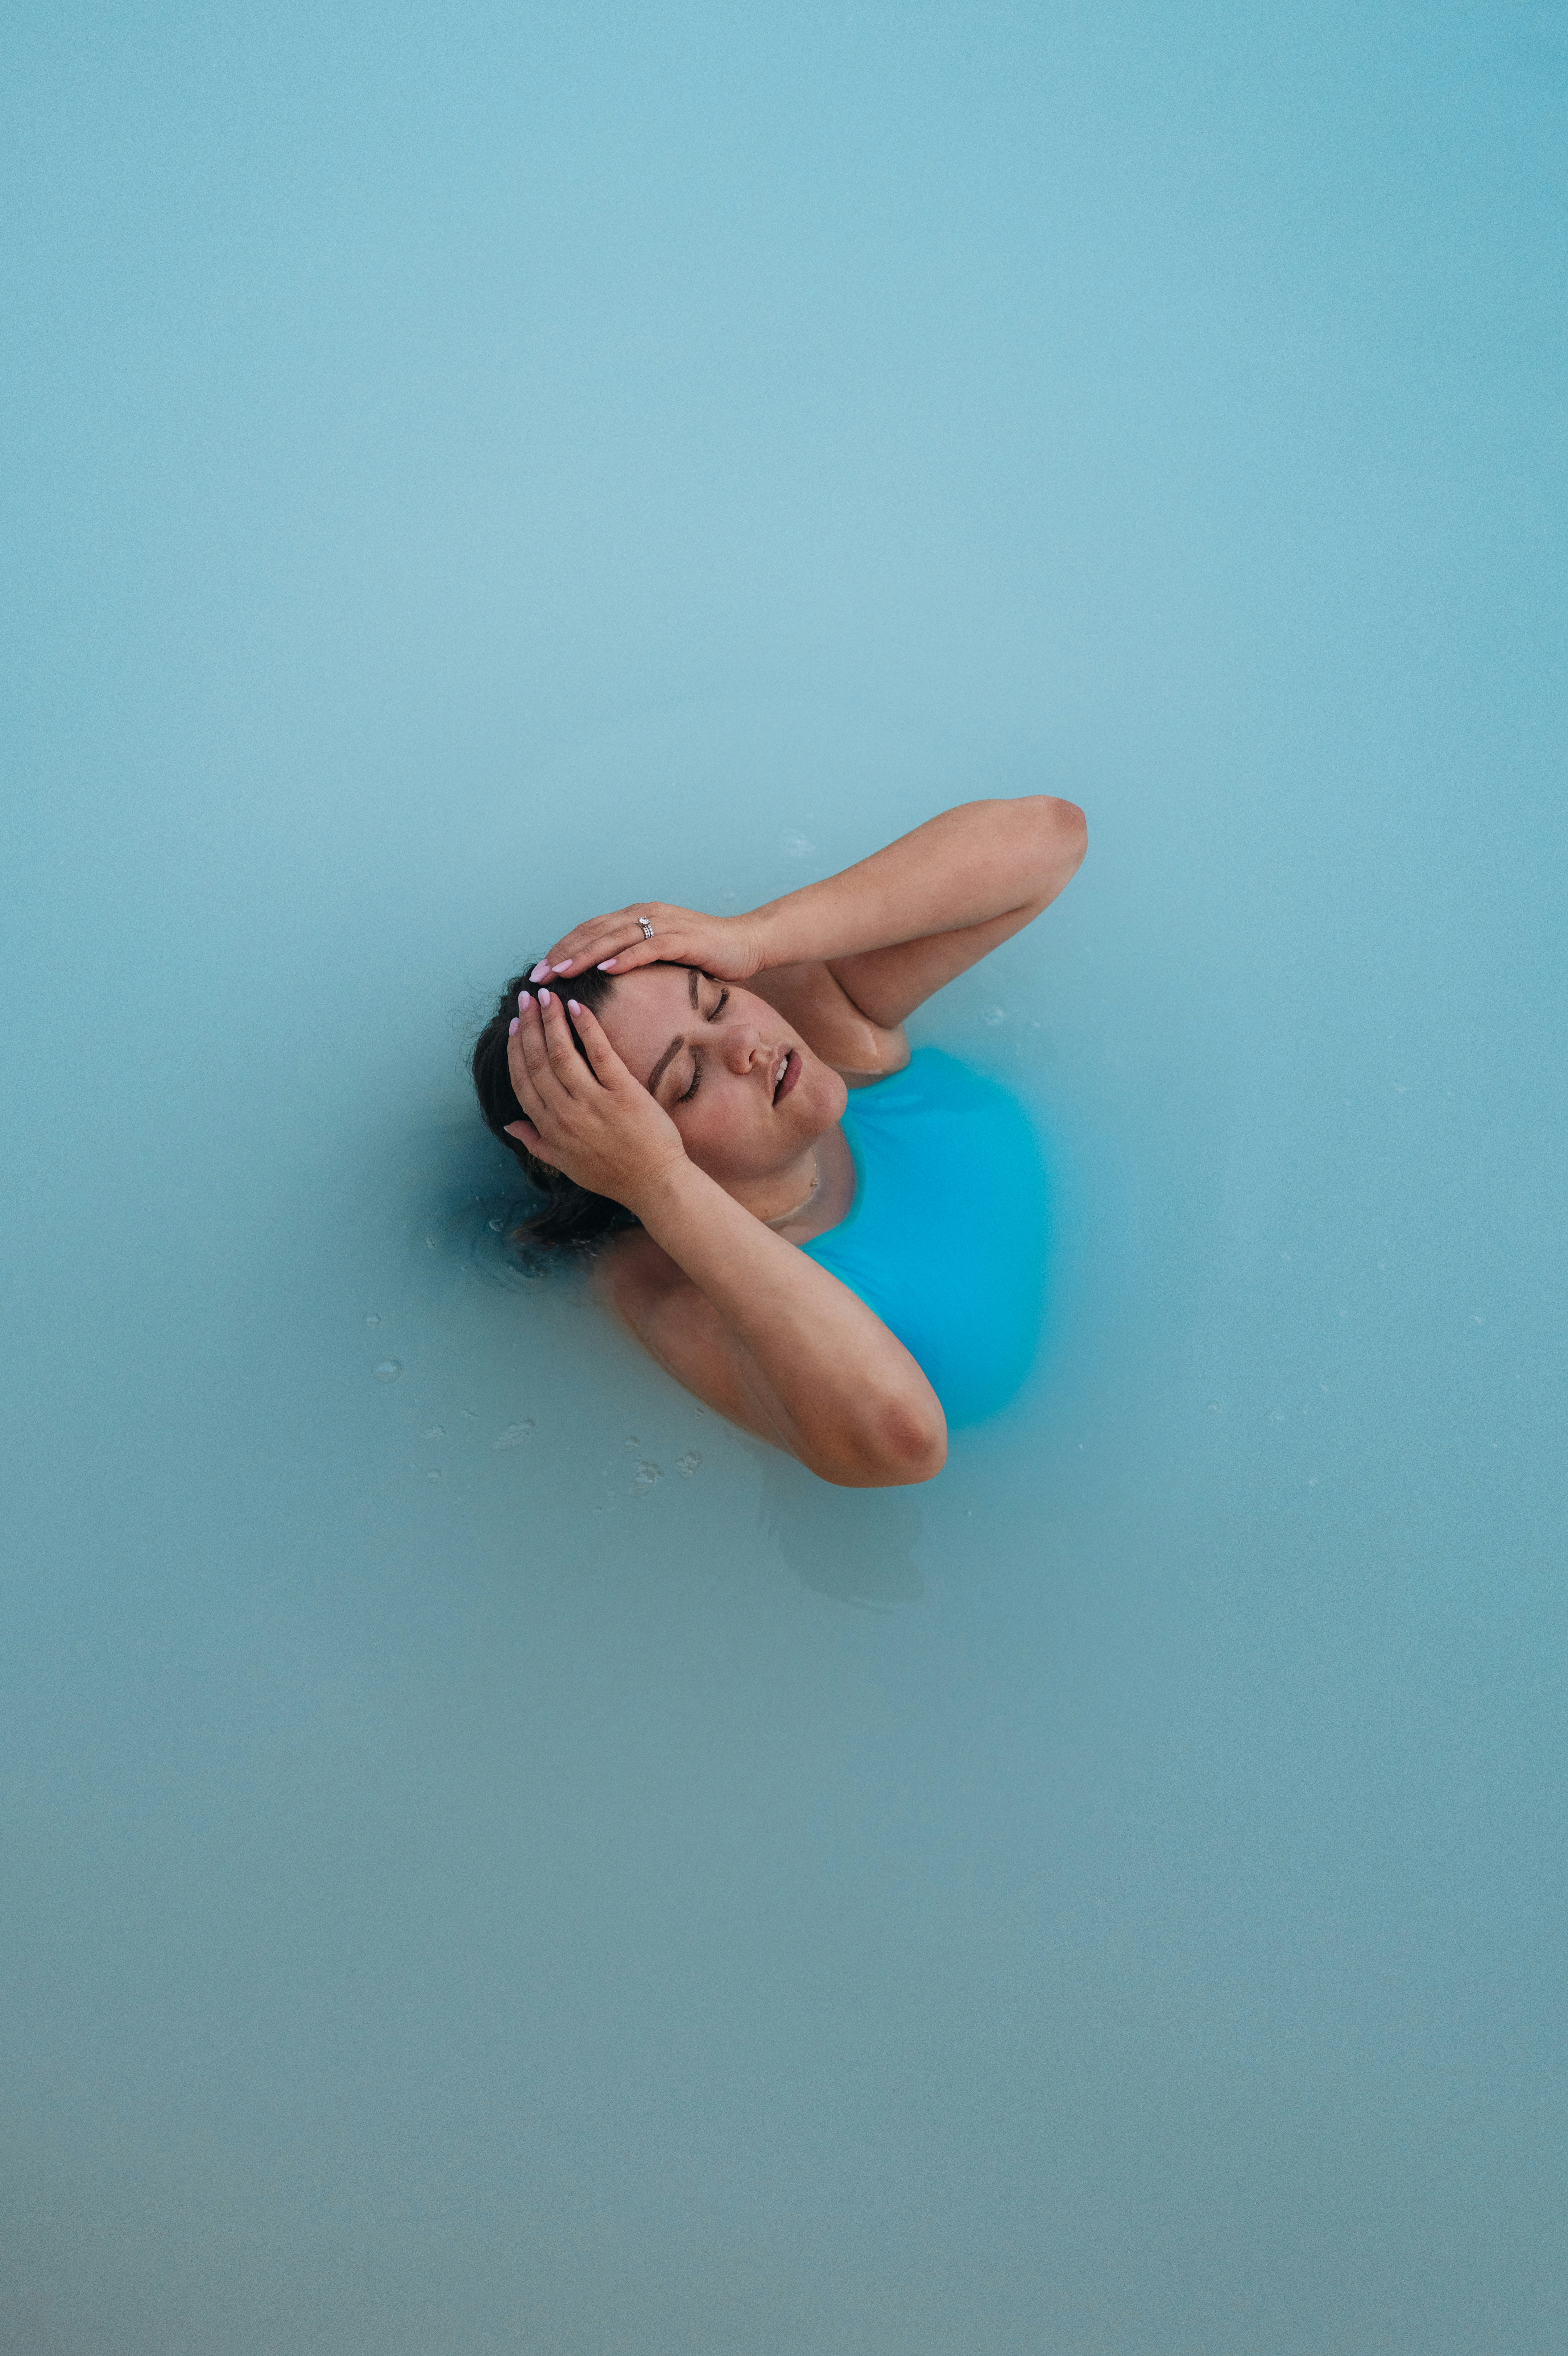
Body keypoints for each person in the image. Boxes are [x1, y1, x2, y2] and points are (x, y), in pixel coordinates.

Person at [470, 796, 1086, 1487]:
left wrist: (757, 936)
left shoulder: (825, 1040)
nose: (746, 1043)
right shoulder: (684, 1303)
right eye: (689, 1081)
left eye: (717, 1000)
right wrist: (658, 1183)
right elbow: (900, 1445)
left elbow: (1048, 838)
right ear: (620, 1156)